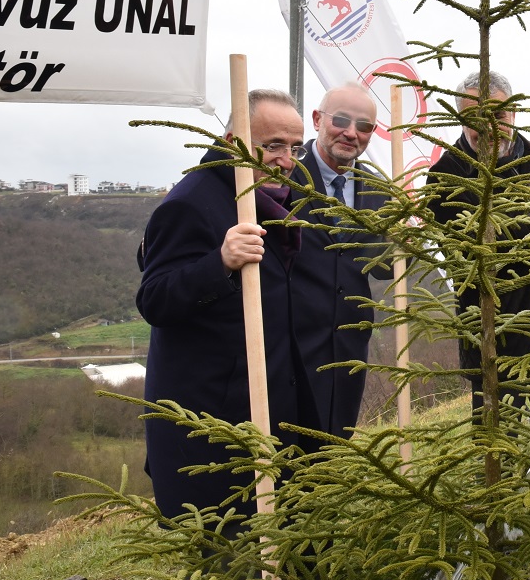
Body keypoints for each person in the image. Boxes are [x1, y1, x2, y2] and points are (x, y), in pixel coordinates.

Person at [138, 88, 309, 519]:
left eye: (294, 148)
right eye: (271, 146)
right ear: (233, 142)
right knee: (227, 558)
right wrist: (220, 262)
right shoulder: (190, 202)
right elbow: (155, 299)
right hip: (213, 428)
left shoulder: (283, 196)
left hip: (272, 413)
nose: (285, 160)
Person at [427, 70, 530, 416]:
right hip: (486, 326)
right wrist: (528, 231)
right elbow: (456, 253)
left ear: (514, 114)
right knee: (493, 428)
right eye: (474, 117)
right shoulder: (446, 173)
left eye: (498, 114)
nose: (487, 125)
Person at [292, 83, 392, 437]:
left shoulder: (377, 189)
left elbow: (381, 267)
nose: (351, 133)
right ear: (318, 119)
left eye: (364, 126)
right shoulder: (284, 175)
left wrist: (401, 244)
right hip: (291, 345)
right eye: (342, 120)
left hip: (349, 343)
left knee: (335, 446)